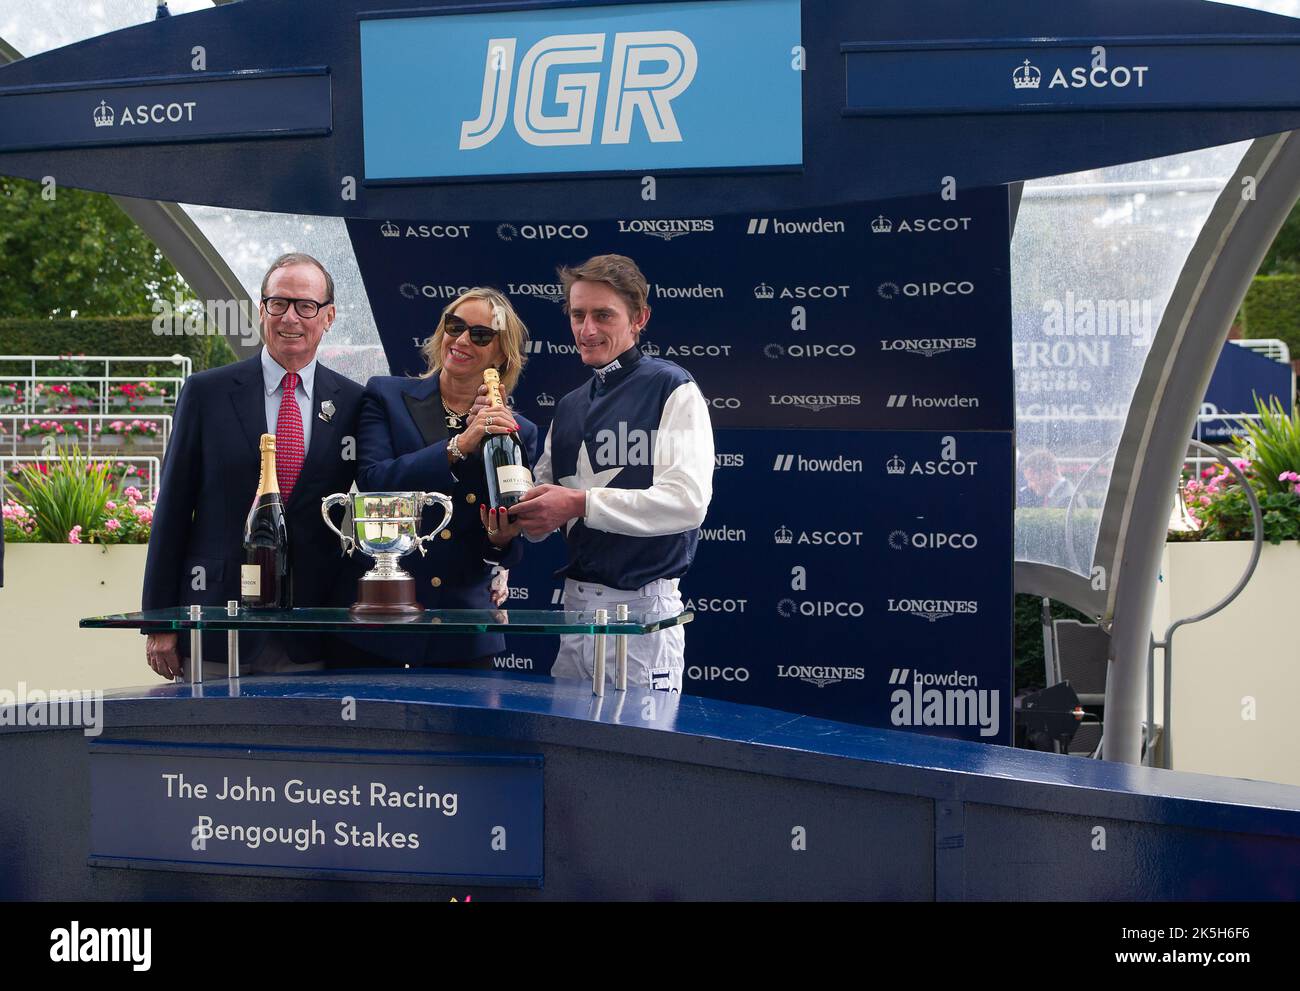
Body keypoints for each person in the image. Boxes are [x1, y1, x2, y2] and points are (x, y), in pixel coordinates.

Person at [142, 253, 365, 679]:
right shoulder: (206, 393)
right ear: (261, 310)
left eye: (306, 306)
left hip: (313, 632)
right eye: (278, 303)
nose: (290, 318)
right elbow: (171, 511)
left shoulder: (354, 402)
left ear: (329, 316)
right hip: (217, 624)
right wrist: (160, 620)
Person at [499, 254, 714, 691]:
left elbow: (688, 503)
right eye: (577, 315)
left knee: (636, 739)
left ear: (639, 319)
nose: (587, 329)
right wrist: (513, 511)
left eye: (603, 315)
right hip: (575, 612)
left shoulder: (672, 387)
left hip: (643, 616)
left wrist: (579, 503)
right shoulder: (569, 405)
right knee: (569, 736)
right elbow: (541, 518)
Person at [355, 287, 539, 667]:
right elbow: (374, 482)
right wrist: (459, 445)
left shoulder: (518, 431)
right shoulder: (387, 395)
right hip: (386, 622)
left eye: (481, 334)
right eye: (455, 326)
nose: (462, 340)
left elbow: (508, 542)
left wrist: (501, 538)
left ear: (502, 354)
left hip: (465, 635)